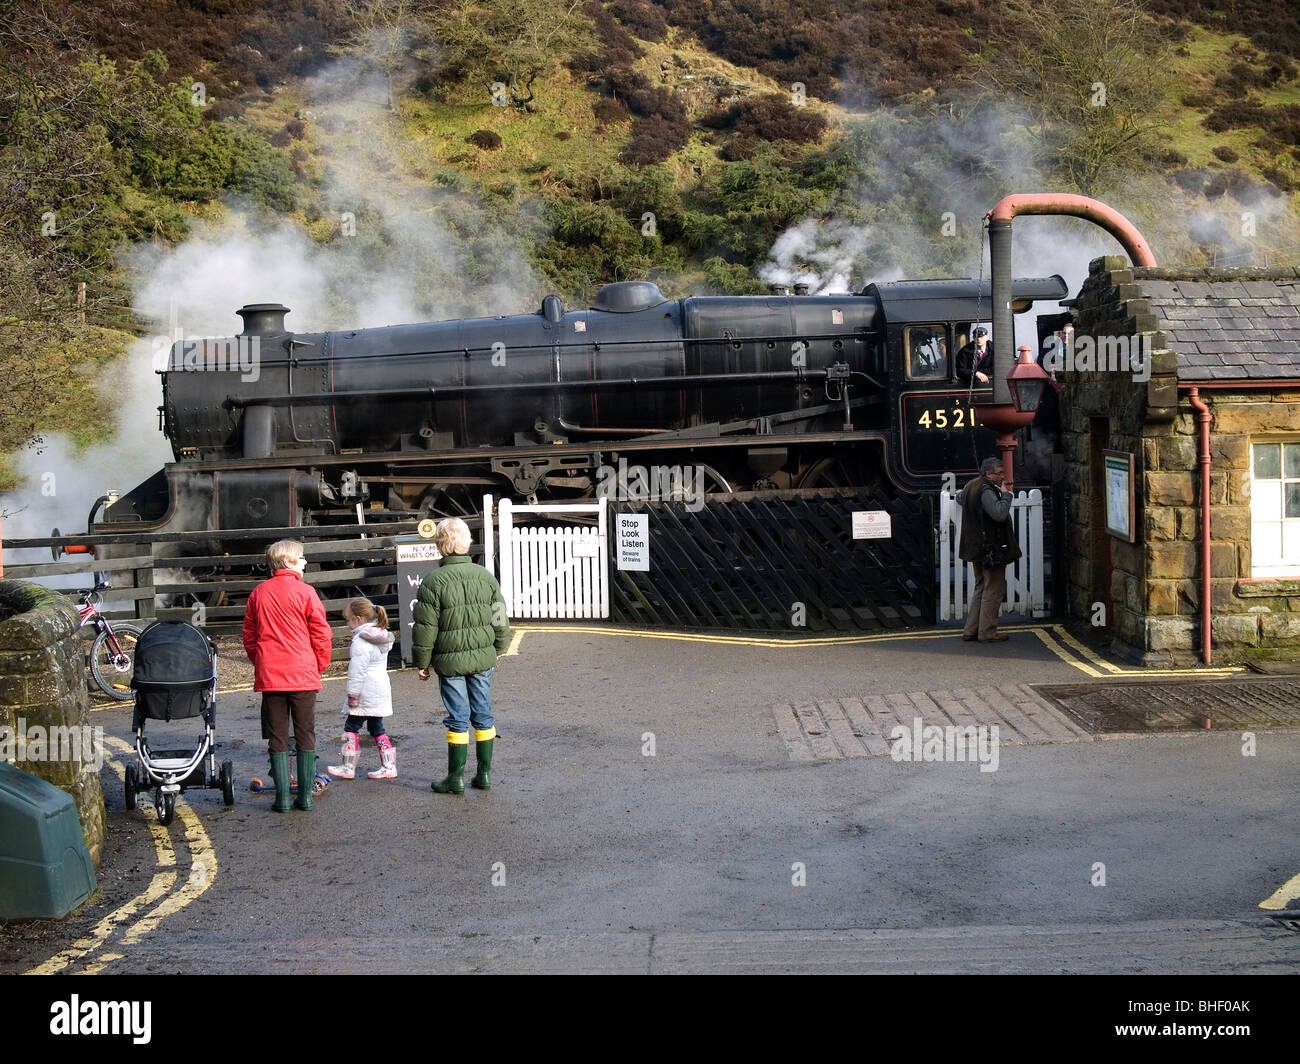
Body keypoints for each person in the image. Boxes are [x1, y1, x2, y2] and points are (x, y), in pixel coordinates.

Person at [412, 517, 511, 795]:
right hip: (482, 658)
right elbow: (499, 616)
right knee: (483, 712)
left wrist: (422, 663)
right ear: (467, 543)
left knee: (458, 716)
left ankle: (454, 779)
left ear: (440, 546)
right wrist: (499, 648)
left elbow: (425, 627)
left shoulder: (433, 582)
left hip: (450, 662)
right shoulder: (485, 577)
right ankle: (484, 775)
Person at [242, 539, 332, 811]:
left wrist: (261, 661)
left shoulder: (258, 593)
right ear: (289, 562)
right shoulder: (306, 592)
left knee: (277, 736)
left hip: (271, 675)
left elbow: (249, 635)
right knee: (306, 734)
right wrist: (319, 665)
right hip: (303, 672)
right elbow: (321, 633)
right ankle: (304, 797)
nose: (305, 562)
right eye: (301, 558)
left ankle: (281, 799)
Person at [328, 598, 397, 781]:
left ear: (358, 619)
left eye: (349, 620)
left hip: (365, 690)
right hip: (380, 688)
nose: (347, 624)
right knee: (377, 727)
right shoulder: (381, 635)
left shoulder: (361, 640)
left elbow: (357, 671)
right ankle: (389, 765)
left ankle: (348, 766)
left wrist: (352, 695)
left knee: (351, 726)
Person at [958, 458, 1022, 643]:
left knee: (980, 587)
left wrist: (958, 494)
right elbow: (999, 514)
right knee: (993, 589)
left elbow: (961, 498)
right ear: (988, 474)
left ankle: (971, 630)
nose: (1003, 476)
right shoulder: (986, 489)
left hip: (976, 546)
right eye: (999, 473)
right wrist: (1006, 495)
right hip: (989, 548)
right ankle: (987, 632)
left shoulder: (971, 484)